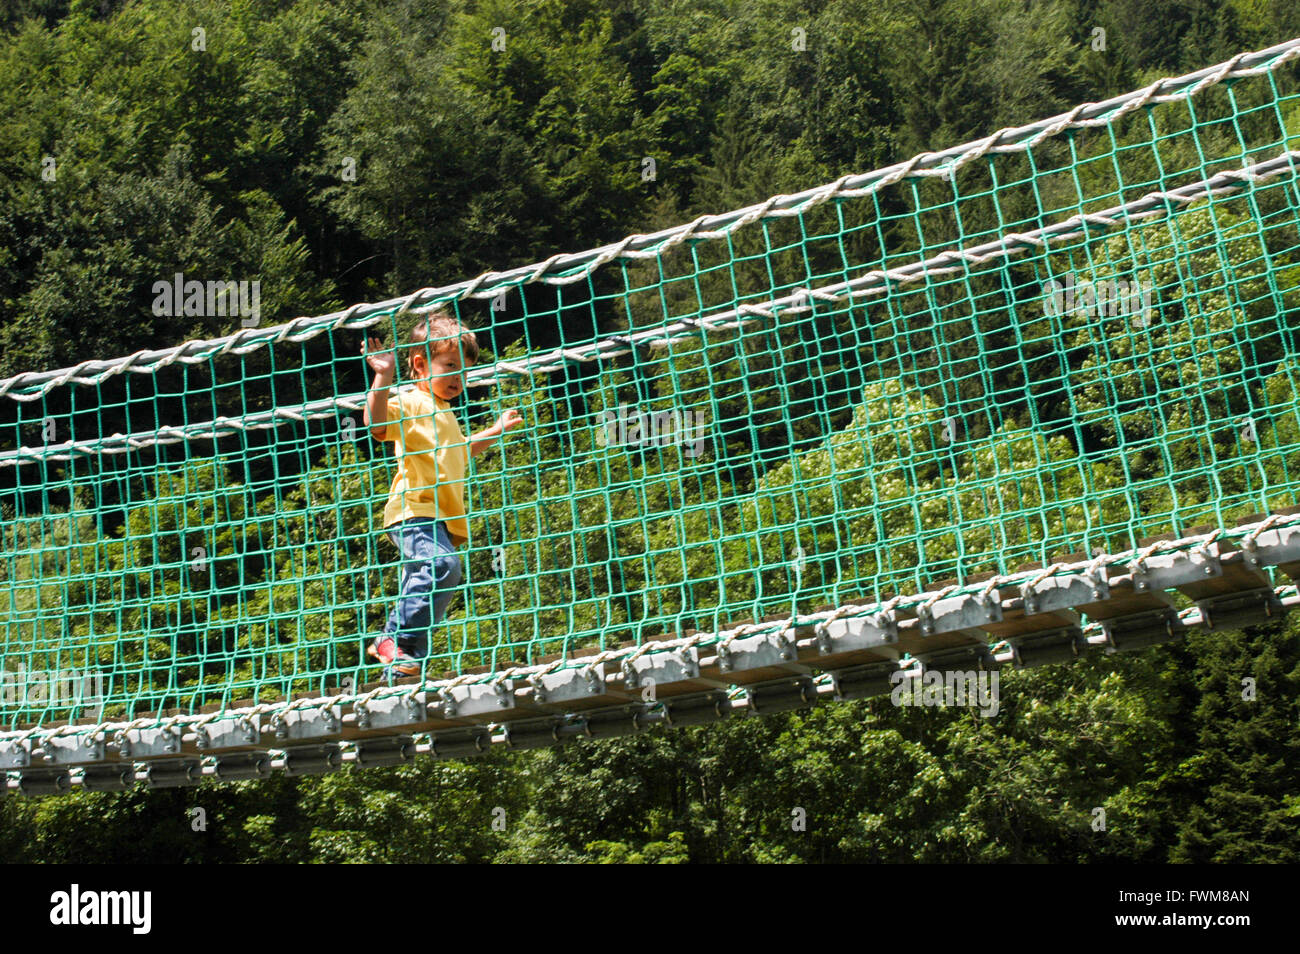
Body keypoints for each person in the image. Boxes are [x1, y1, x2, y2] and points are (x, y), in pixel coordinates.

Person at [360, 311, 524, 680]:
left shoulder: (444, 412)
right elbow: (376, 423)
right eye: (449, 366)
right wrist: (383, 376)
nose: (458, 379)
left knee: (439, 578)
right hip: (414, 510)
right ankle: (390, 637)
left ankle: (402, 665)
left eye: (464, 372)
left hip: (440, 519)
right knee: (441, 567)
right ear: (420, 364)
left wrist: (495, 431)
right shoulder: (412, 401)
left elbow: (460, 450)